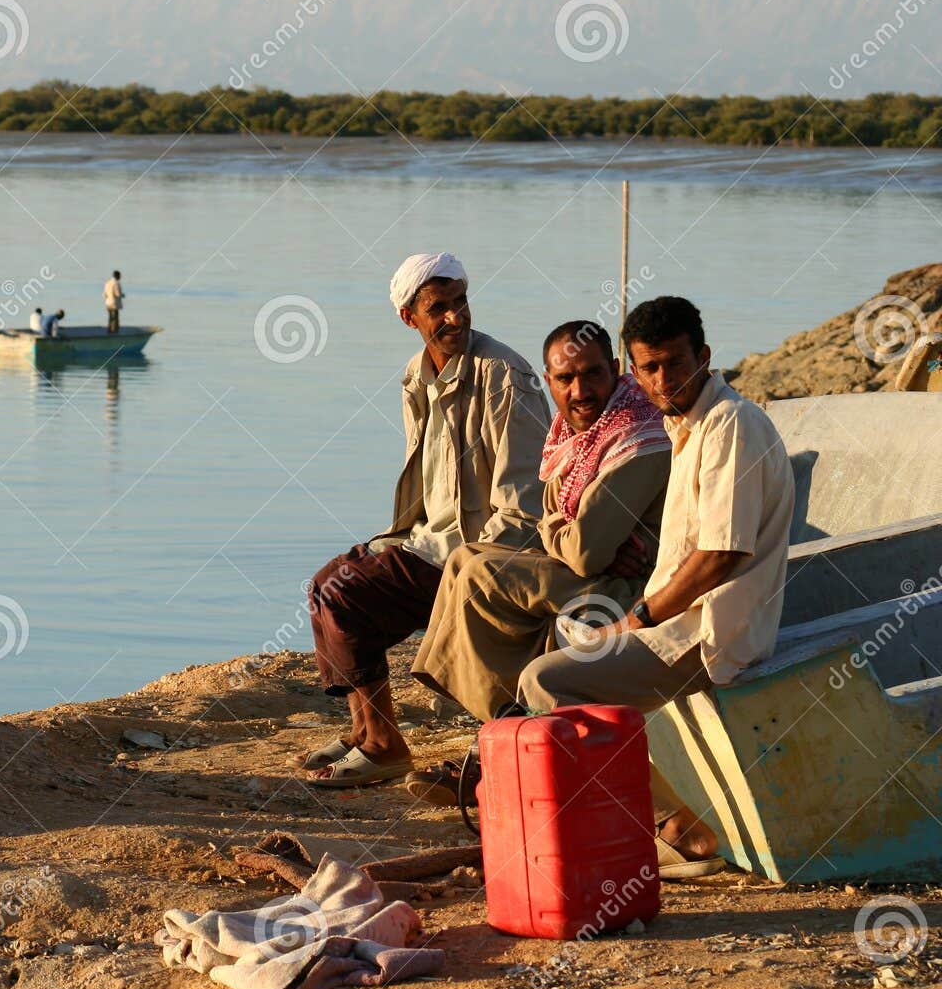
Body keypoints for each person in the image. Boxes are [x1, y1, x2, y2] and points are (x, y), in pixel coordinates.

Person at [517, 297, 794, 879]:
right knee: (568, 645)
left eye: (674, 363)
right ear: (633, 371)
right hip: (679, 623)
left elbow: (721, 555)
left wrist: (637, 618)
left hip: (709, 634)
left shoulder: (731, 425)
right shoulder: (686, 426)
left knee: (545, 682)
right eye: (649, 368)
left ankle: (679, 830)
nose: (663, 379)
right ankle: (630, 815)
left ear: (705, 357)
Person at [300, 251, 551, 788]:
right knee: (326, 586)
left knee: (344, 594)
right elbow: (428, 483)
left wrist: (470, 567)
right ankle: (366, 731)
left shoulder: (504, 374)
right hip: (428, 541)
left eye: (460, 303)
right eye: (439, 308)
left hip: (481, 554)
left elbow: (526, 501)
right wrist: (394, 542)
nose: (455, 318)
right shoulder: (417, 376)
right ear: (409, 317)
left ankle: (385, 746)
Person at [406, 319, 672, 803]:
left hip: (635, 588)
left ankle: (505, 740)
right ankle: (505, 736)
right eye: (565, 379)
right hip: (595, 571)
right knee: (465, 558)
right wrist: (559, 528)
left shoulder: (634, 437)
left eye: (592, 375)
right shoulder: (573, 434)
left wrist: (550, 523)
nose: (580, 390)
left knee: (483, 577)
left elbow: (586, 552)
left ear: (615, 371)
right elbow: (573, 535)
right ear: (548, 382)